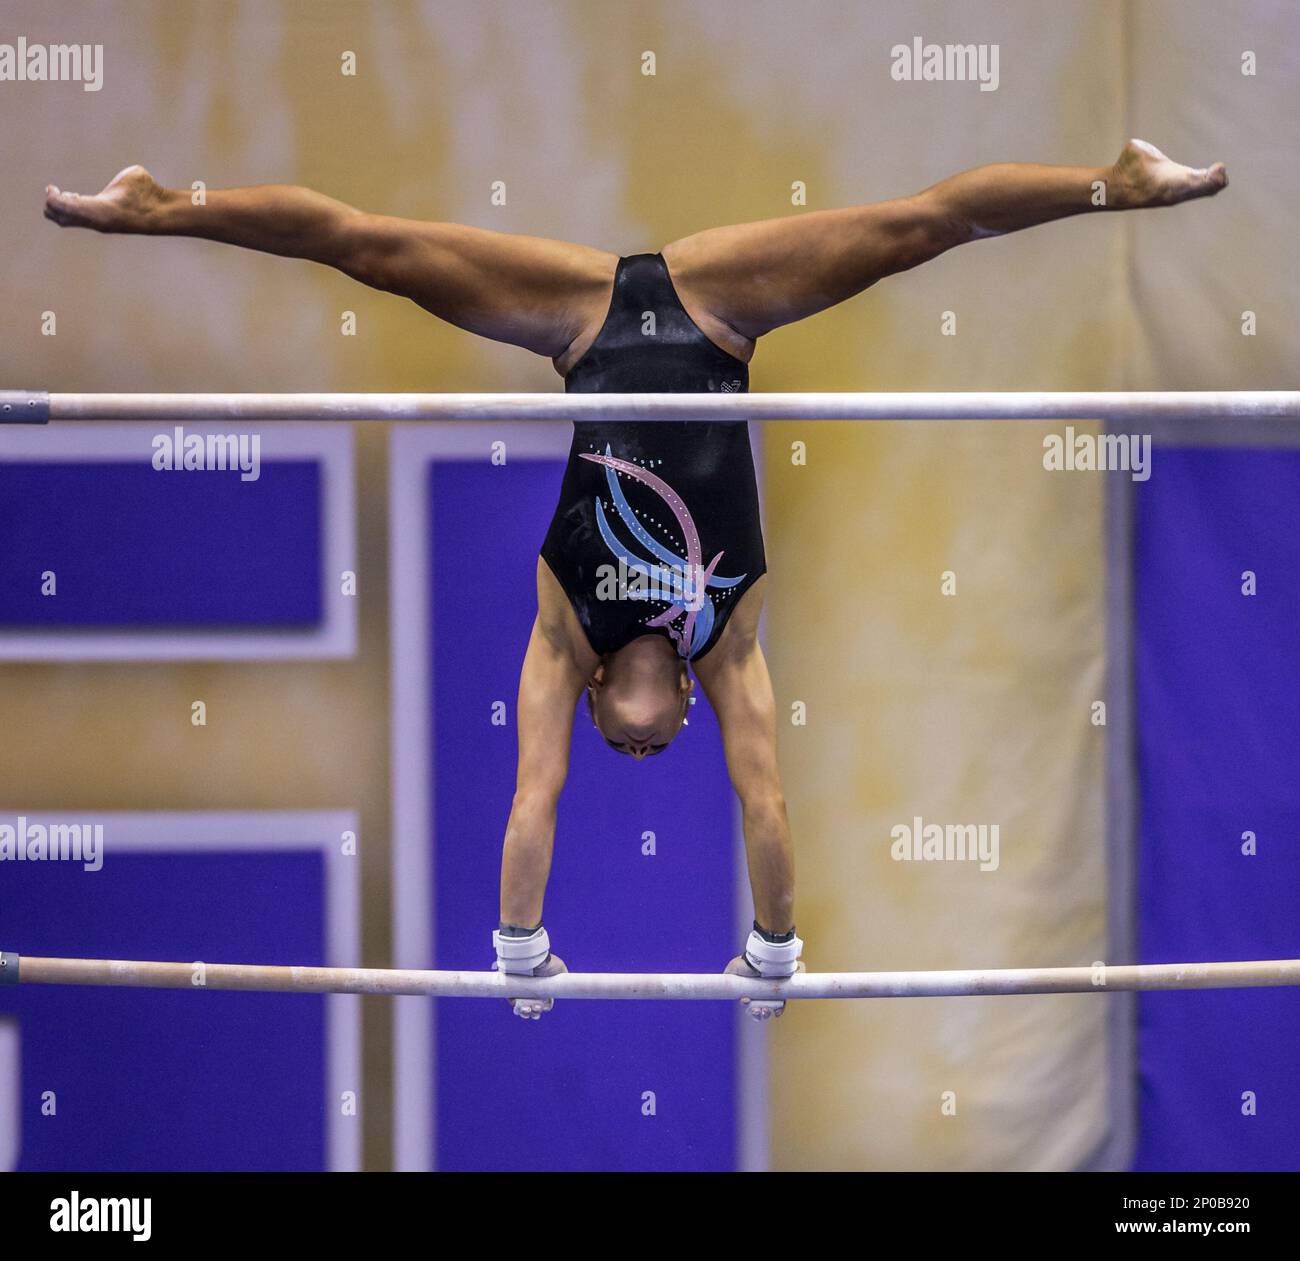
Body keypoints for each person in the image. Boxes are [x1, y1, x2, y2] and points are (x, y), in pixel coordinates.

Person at [45, 140, 1226, 1020]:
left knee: (373, 247)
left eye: (626, 746)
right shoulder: (729, 647)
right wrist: (771, 954)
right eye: (659, 752)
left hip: (582, 320)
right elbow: (764, 804)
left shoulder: (564, 633)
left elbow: (532, 803)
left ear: (604, 692)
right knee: (915, 230)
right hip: (718, 317)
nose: (646, 748)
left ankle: (159, 208)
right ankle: (1116, 187)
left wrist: (519, 947)